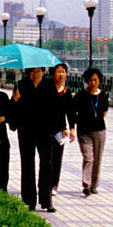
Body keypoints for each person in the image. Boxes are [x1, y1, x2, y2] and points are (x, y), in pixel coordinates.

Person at [10, 66, 55, 212]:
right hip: (26, 131)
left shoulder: (49, 85)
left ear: (43, 72)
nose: (35, 74)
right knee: (27, 164)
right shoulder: (21, 84)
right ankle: (29, 200)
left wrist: (61, 128)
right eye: (32, 72)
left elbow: (57, 108)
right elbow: (14, 110)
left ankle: (46, 200)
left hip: (45, 131)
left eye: (38, 71)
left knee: (46, 165)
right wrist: (15, 101)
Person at [69, 67, 109, 196]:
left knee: (97, 158)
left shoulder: (103, 95)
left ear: (99, 81)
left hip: (99, 130)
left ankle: (94, 185)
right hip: (84, 131)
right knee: (88, 157)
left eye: (95, 80)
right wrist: (75, 125)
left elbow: (104, 112)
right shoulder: (81, 95)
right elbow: (73, 111)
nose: (92, 83)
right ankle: (86, 184)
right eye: (90, 80)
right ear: (86, 81)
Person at [44, 62, 74, 200]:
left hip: (60, 131)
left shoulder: (66, 92)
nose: (61, 74)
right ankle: (45, 184)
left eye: (63, 72)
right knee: (46, 159)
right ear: (52, 74)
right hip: (45, 129)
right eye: (58, 72)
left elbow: (70, 112)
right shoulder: (47, 89)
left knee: (57, 158)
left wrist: (71, 128)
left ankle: (54, 185)